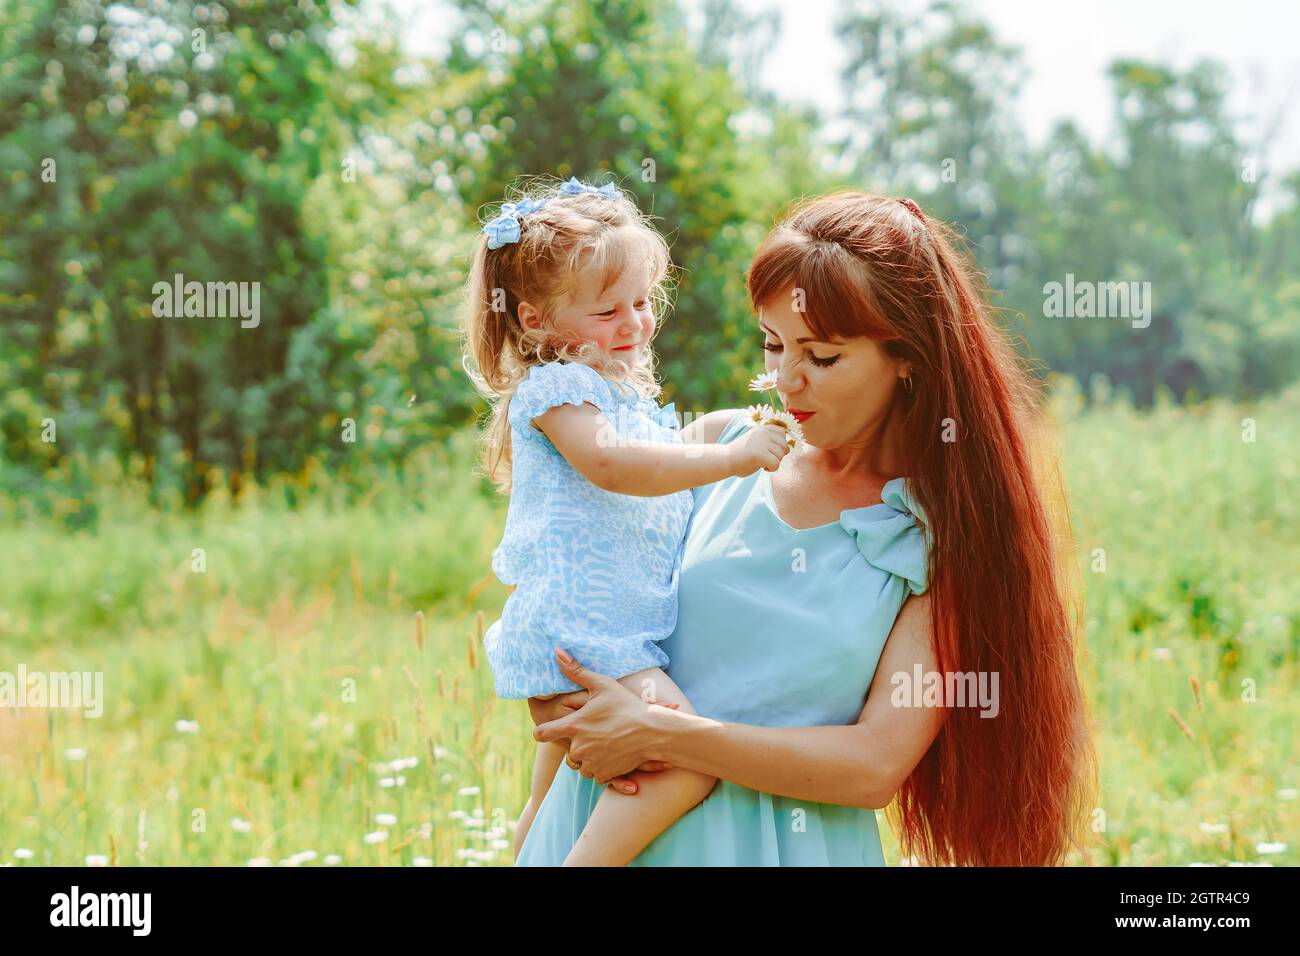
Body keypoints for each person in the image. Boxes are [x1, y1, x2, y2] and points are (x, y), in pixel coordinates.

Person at [517, 192, 1096, 866]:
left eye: (822, 358)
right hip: (593, 838)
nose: (786, 381)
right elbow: (597, 613)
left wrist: (668, 737)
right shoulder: (712, 450)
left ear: (908, 357)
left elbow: (873, 766)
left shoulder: (939, 545)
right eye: (773, 344)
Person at [460, 176, 794, 866]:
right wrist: (732, 460)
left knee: (546, 804)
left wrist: (739, 424)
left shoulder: (615, 398)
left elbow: (664, 451)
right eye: (607, 311)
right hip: (587, 640)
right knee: (687, 751)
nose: (635, 324)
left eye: (641, 303)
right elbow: (614, 466)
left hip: (603, 635)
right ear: (535, 321)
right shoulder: (559, 390)